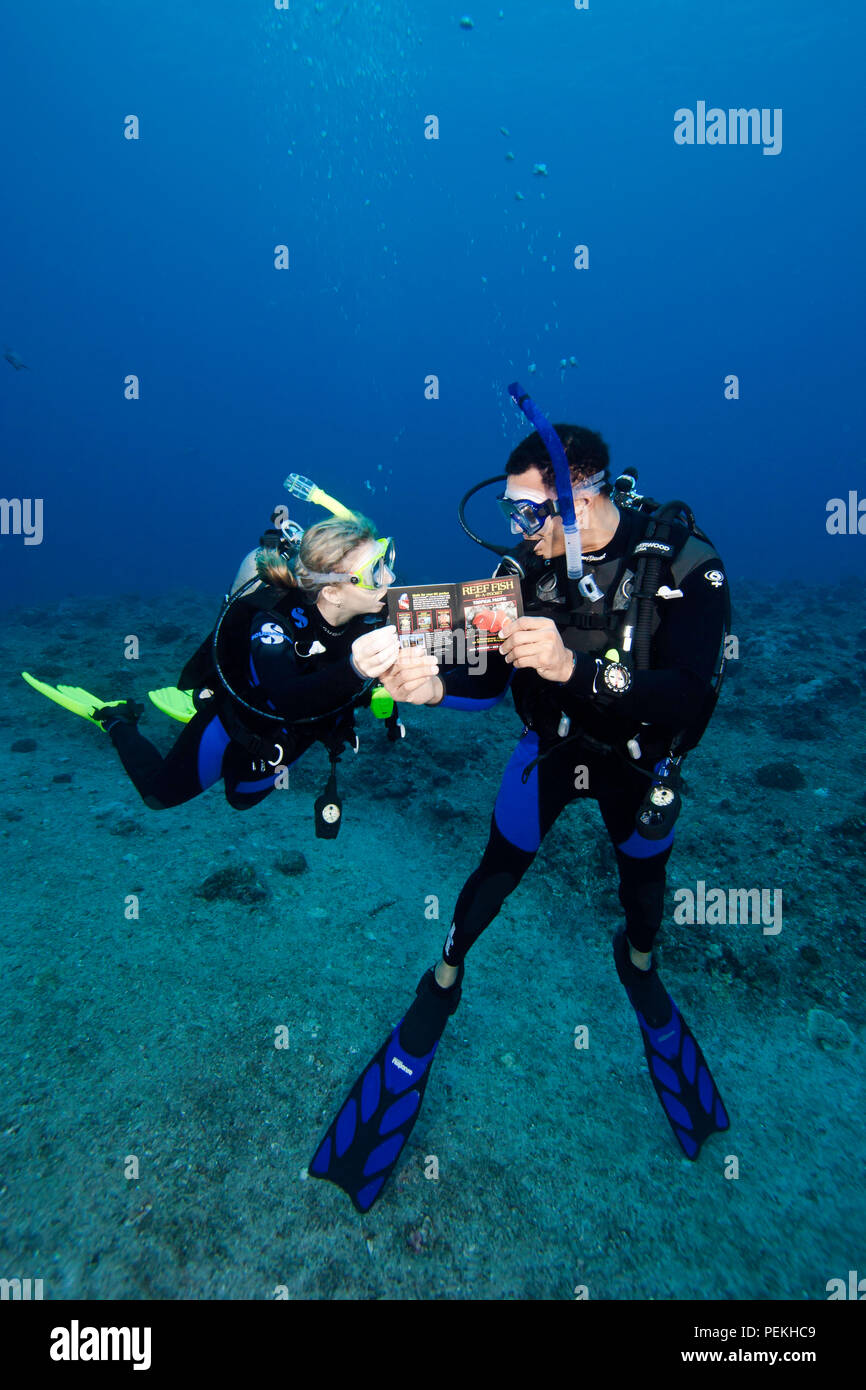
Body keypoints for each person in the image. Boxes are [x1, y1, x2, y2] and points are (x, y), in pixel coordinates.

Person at [309, 385, 731, 1212]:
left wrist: (578, 669)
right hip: (548, 752)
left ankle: (638, 964)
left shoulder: (683, 562)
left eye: (531, 516)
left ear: (586, 495)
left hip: (639, 764)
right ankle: (443, 976)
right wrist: (430, 688)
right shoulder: (519, 577)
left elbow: (693, 698)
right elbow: (485, 676)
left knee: (642, 892)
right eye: (511, 517)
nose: (521, 537)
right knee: (494, 872)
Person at [23, 511, 434, 828]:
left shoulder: (377, 608)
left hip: (299, 733)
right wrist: (357, 668)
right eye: (375, 572)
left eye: (386, 558)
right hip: (240, 720)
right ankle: (115, 717)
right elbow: (283, 694)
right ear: (331, 591)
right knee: (157, 796)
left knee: (241, 799)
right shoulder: (274, 621)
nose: (391, 577)